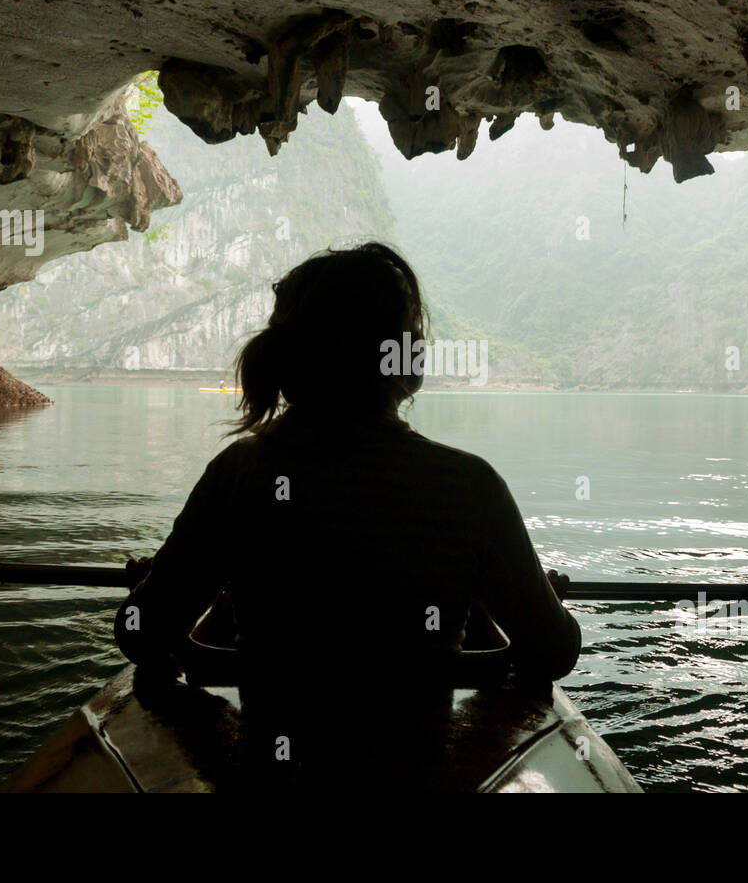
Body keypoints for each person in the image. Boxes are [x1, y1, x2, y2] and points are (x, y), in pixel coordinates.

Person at [114, 241, 579, 777]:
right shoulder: (469, 486)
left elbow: (141, 634)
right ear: (401, 357)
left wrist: (145, 595)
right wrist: (544, 604)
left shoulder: (240, 474)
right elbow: (553, 652)